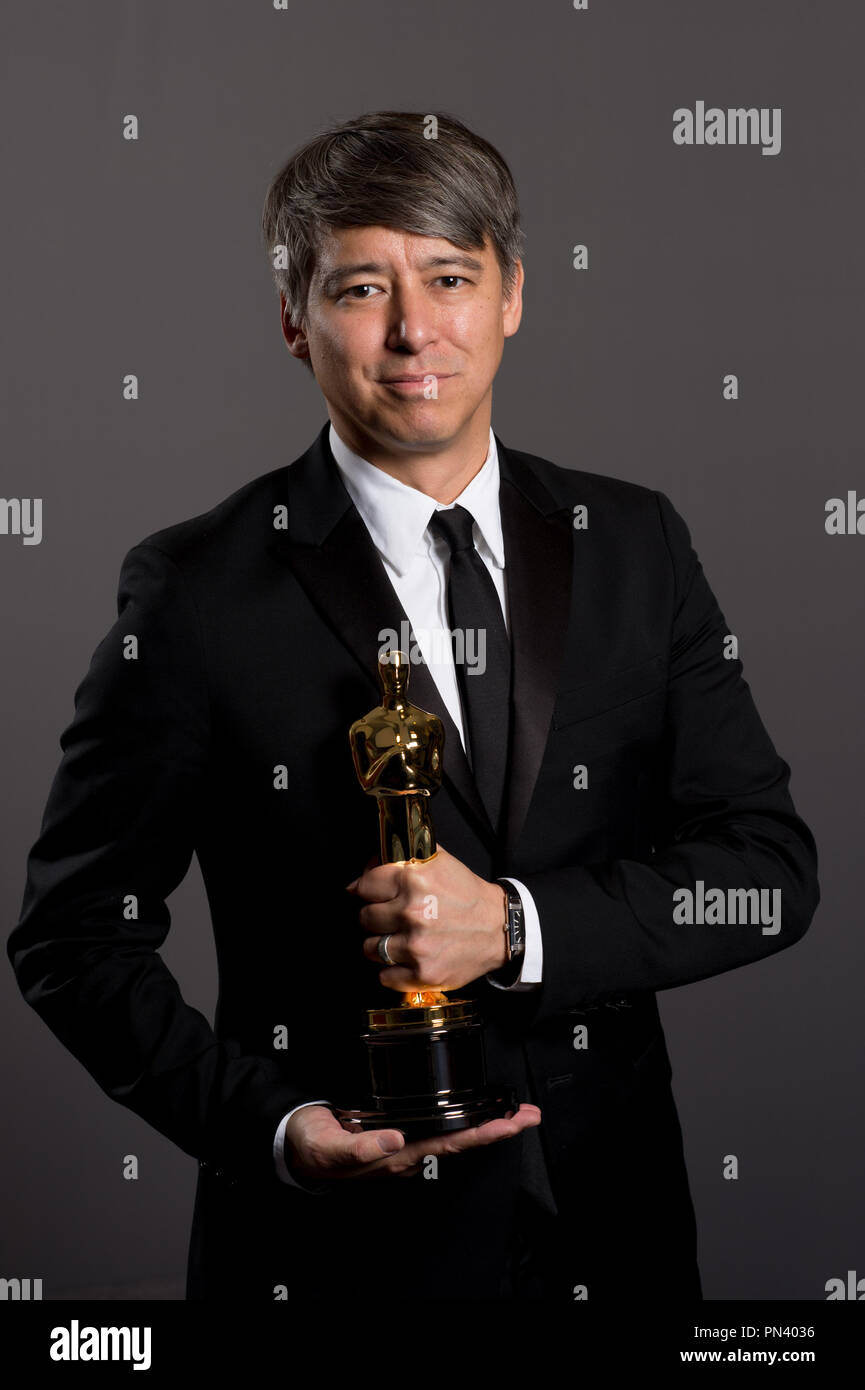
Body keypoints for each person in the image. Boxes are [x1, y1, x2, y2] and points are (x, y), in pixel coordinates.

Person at [7, 110, 819, 1302]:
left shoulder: (635, 545)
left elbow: (767, 869)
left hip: (618, 1233)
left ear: (512, 296)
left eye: (448, 277)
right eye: (358, 288)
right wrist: (274, 1129)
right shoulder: (194, 590)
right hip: (335, 1263)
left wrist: (521, 927)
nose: (411, 332)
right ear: (294, 317)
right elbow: (72, 936)